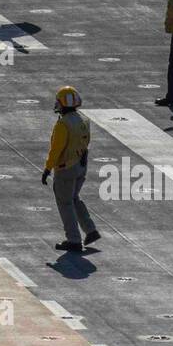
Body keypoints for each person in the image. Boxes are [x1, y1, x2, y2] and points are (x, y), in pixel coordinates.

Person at [41, 85, 100, 253]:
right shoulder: (83, 120)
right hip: (81, 166)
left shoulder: (63, 124)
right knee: (74, 198)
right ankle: (90, 230)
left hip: (66, 168)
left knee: (65, 202)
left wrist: (47, 169)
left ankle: (74, 239)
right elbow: (86, 142)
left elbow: (56, 149)